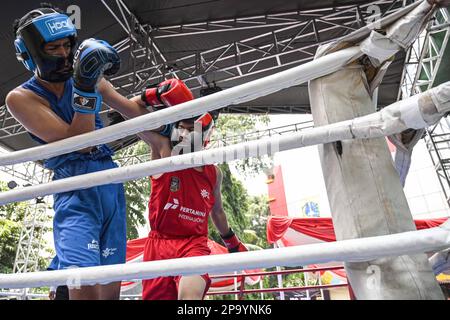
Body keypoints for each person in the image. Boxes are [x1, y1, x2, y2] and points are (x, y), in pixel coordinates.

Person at [6, 4, 152, 300]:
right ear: (31, 53)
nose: (63, 54)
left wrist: (158, 98)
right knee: (83, 287)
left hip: (109, 182)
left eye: (67, 45)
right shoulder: (21, 97)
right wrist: (85, 88)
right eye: (53, 47)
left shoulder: (85, 76)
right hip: (74, 187)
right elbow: (79, 142)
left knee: (110, 287)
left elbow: (132, 112)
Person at [135, 78, 248, 300]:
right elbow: (131, 113)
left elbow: (217, 212)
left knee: (189, 298)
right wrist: (150, 95)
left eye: (191, 130)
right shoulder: (164, 150)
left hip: (193, 244)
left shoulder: (214, 173)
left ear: (205, 136)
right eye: (182, 129)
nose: (185, 135)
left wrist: (231, 241)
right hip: (159, 245)